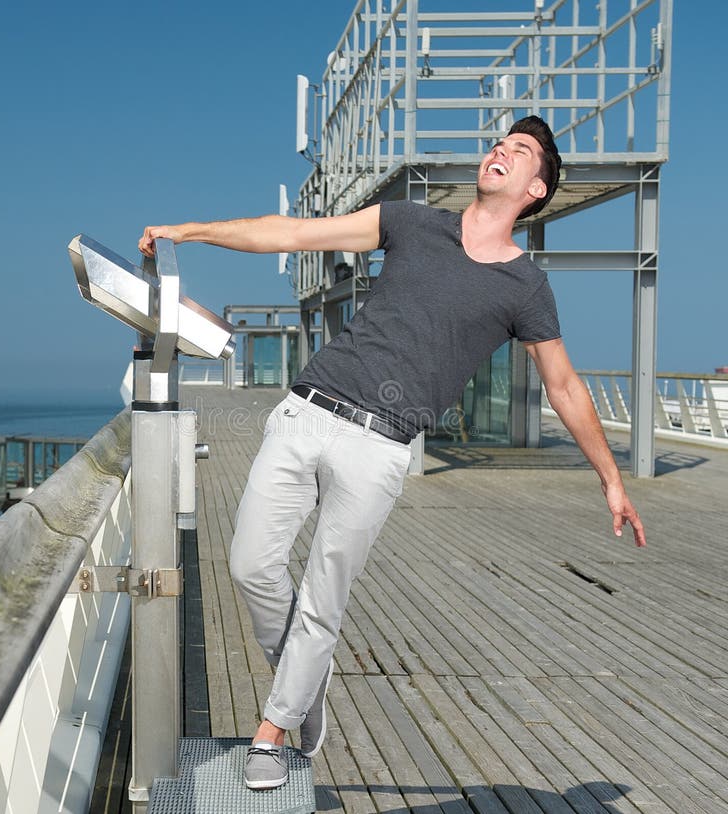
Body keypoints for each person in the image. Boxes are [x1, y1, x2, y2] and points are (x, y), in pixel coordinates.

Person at [139, 115, 646, 790]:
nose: (501, 151)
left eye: (519, 151)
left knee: (324, 598)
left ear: (536, 190)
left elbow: (565, 386)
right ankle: (305, 685)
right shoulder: (410, 221)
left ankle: (275, 728)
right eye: (501, 142)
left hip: (379, 451)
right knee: (249, 565)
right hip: (306, 412)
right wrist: (188, 232)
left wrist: (610, 479)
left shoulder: (525, 287)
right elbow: (290, 233)